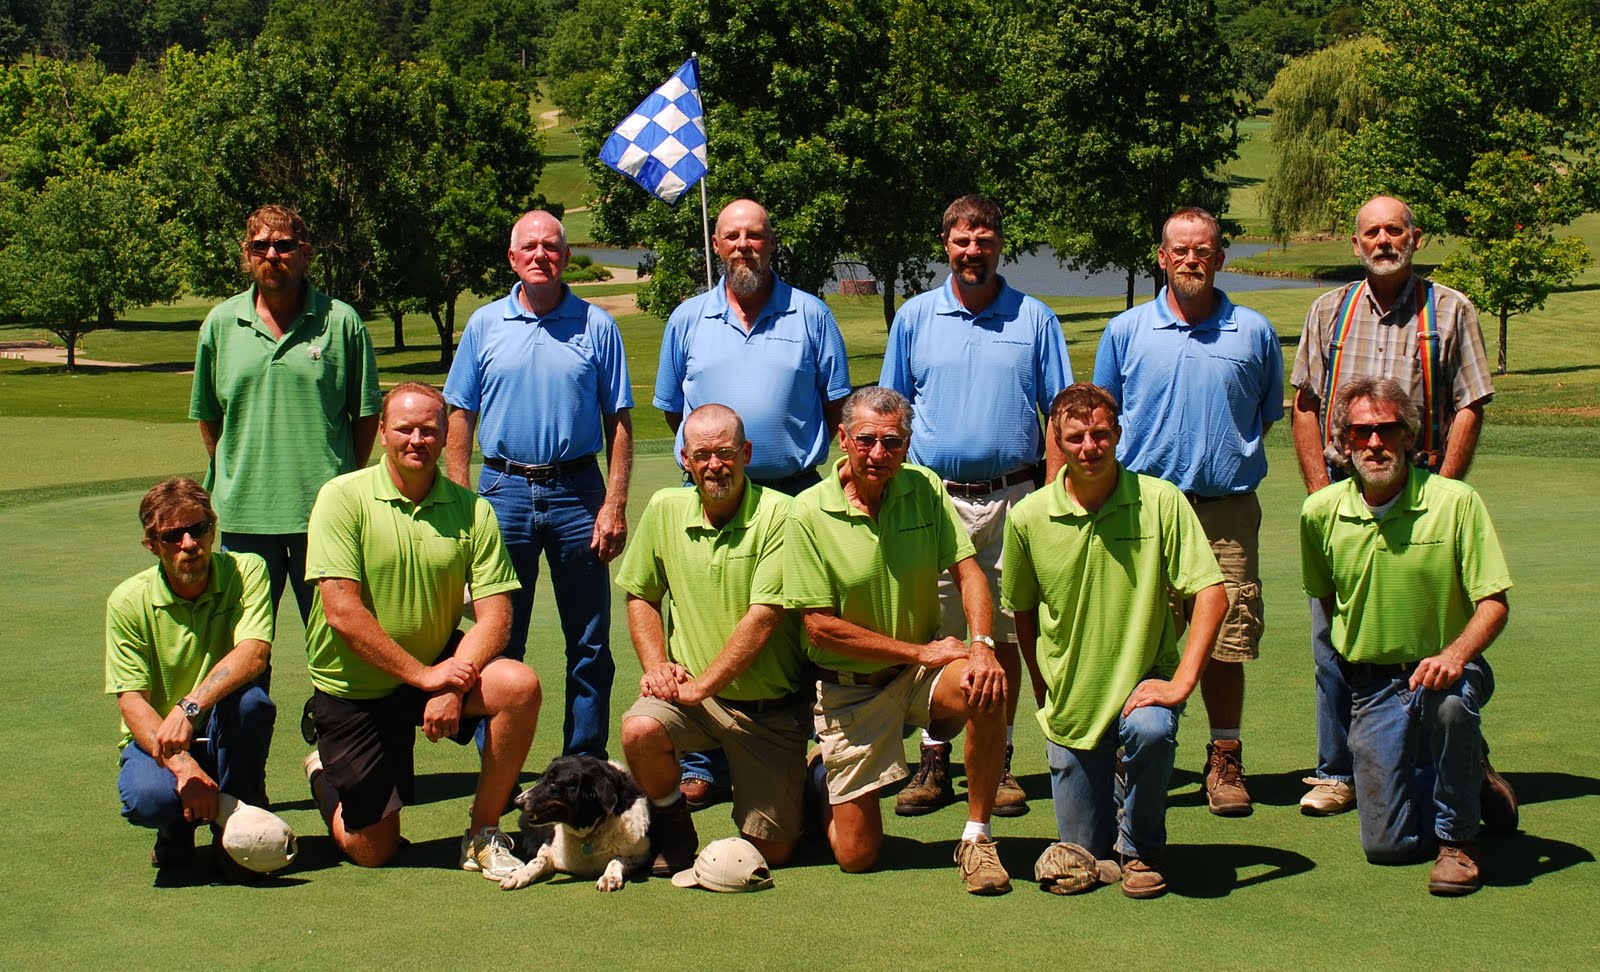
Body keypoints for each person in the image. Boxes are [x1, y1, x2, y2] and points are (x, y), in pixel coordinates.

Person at [1289, 195, 1512, 822]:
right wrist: (1319, 494)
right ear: (1355, 244)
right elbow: (1305, 403)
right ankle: (1337, 770)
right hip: (1345, 496)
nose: (1384, 240)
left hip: (1420, 496)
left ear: (1414, 237)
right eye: (1371, 233)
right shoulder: (1329, 310)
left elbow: (1469, 404)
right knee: (1334, 643)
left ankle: (1454, 753)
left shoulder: (1449, 310)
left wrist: (1440, 490)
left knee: (1426, 641)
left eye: (1395, 230)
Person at [878, 194, 1073, 818]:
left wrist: (1050, 497)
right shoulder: (914, 318)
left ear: (998, 243)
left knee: (1009, 631)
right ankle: (934, 759)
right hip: (935, 499)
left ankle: (1001, 756)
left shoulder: (1035, 318)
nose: (973, 250)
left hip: (1017, 496)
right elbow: (893, 414)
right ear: (946, 244)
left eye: (984, 238)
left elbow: (1059, 414)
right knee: (940, 633)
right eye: (962, 239)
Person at [653, 198, 851, 808]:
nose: (744, 245)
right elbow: (671, 410)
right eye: (733, 236)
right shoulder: (687, 318)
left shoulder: (811, 314)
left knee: (801, 626)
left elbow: (837, 405)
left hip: (791, 490)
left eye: (756, 236)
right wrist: (714, 461)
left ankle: (811, 741)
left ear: (772, 243)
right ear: (717, 245)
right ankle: (700, 760)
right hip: (711, 491)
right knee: (702, 623)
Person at [301, 382, 541, 879]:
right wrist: (427, 678)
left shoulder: (472, 509)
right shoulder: (342, 498)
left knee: (518, 685)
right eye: (405, 428)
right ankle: (322, 774)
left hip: (434, 668)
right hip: (357, 689)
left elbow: (496, 616)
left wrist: (451, 679)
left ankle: (482, 832)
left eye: (429, 430)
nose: (417, 439)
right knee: (373, 849)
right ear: (383, 431)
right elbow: (342, 612)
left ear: (448, 437)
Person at [784, 386, 1016, 894]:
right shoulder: (806, 513)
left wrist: (981, 644)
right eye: (866, 440)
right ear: (842, 439)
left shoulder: (925, 487)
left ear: (906, 445)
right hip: (849, 688)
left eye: (892, 442)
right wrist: (919, 651)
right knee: (858, 856)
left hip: (919, 677)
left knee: (986, 686)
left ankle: (977, 838)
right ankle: (819, 773)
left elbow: (969, 572)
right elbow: (820, 626)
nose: (878, 454)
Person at [1092, 207, 1283, 817]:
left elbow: (1268, 412)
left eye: (1203, 250)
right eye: (1180, 250)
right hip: (1145, 509)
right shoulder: (1125, 332)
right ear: (1162, 257)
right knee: (1143, 632)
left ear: (1220, 257)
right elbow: (1102, 418)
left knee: (1228, 636)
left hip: (1225, 509)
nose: (1191, 260)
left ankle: (1224, 755)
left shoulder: (1253, 331)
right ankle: (1135, 752)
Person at [1002, 384, 1227, 898]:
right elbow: (1022, 611)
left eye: (1101, 434)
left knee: (1150, 730)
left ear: (1118, 433)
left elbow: (1211, 594)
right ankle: (1116, 812)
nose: (1090, 447)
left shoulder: (1160, 500)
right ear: (1056, 442)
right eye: (1076, 437)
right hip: (1073, 700)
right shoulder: (1028, 516)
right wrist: (1041, 684)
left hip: (1142, 689)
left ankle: (1142, 848)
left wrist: (1181, 683)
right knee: (1085, 856)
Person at [1300, 377, 1515, 895]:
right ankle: (1465, 772)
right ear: (1344, 443)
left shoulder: (1456, 502)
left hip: (1448, 671)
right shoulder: (1320, 513)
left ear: (1409, 436)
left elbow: (1494, 604)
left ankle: (1458, 843)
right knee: (1387, 847)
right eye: (1361, 433)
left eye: (1387, 430)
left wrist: (1455, 654)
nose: (1375, 443)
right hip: (1373, 686)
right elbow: (1330, 602)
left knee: (1450, 708)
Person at [444, 210, 633, 759]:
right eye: (529, 246)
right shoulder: (484, 325)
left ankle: (584, 762)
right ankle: (498, 766)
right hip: (501, 493)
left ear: (566, 257)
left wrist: (615, 502)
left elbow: (618, 420)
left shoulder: (597, 325)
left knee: (590, 641)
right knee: (499, 638)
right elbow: (460, 414)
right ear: (512, 257)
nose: (540, 255)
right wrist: (461, 498)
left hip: (579, 493)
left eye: (551, 246)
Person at [618, 405, 811, 875]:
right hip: (691, 702)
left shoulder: (781, 514)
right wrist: (656, 665)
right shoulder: (665, 507)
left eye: (725, 453)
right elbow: (641, 594)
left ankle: (815, 776)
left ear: (745, 452)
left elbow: (763, 618)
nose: (714, 465)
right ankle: (673, 825)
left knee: (773, 854)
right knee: (639, 729)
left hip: (765, 707)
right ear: (684, 457)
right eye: (701, 454)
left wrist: (700, 684)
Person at [189, 204, 383, 630]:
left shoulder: (341, 321)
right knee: (243, 644)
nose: (271, 254)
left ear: (304, 252)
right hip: (245, 512)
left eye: (283, 245)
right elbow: (208, 414)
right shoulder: (221, 323)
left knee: (336, 639)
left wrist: (341, 474)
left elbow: (366, 414)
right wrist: (234, 464)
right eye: (260, 246)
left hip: (325, 513)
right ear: (246, 254)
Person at [107, 478, 275, 873]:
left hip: (221, 726)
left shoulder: (246, 570)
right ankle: (174, 829)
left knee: (253, 704)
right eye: (172, 536)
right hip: (161, 740)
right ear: (152, 545)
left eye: (198, 529)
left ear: (213, 529)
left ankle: (234, 825)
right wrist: (183, 766)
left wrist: (190, 706)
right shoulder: (127, 601)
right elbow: (132, 700)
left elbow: (254, 655)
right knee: (149, 799)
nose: (189, 544)